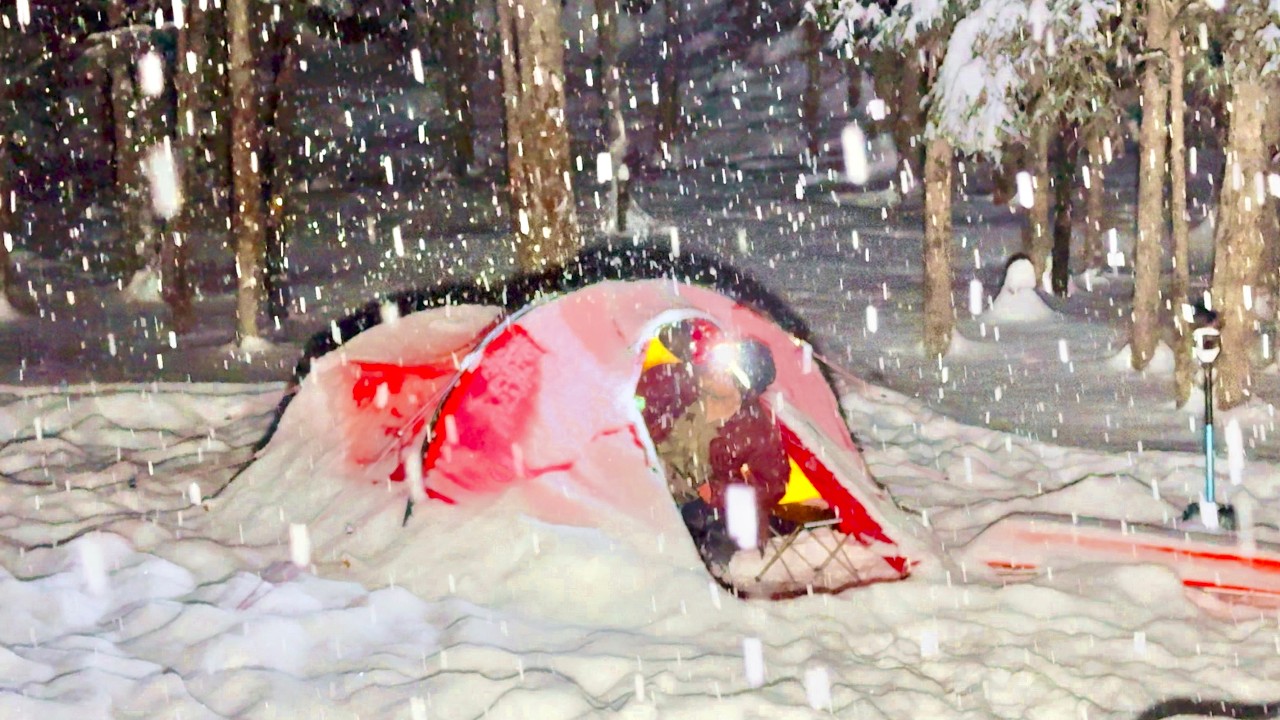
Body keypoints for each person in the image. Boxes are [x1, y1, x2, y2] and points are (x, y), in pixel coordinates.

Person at [636, 324, 790, 568]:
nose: (710, 370)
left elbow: (773, 484)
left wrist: (719, 493)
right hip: (647, 485)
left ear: (739, 384)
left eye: (721, 371)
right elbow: (636, 375)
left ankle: (708, 578)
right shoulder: (680, 388)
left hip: (695, 505)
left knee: (716, 526)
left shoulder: (755, 428)